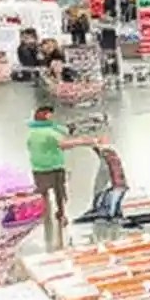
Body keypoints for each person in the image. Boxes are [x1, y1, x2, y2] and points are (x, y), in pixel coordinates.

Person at [26, 106, 98, 248]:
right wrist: (84, 141)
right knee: (60, 193)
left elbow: (62, 132)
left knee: (43, 193)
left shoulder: (32, 132)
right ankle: (61, 216)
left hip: (38, 167)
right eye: (50, 115)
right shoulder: (49, 132)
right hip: (54, 166)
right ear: (46, 116)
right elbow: (63, 144)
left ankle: (46, 217)